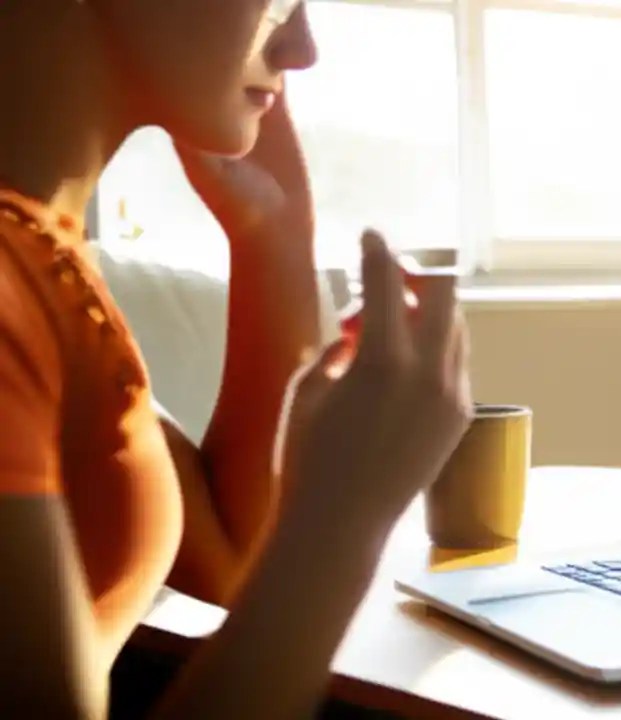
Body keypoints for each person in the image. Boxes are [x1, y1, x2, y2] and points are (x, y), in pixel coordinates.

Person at [0, 0, 473, 717]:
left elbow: (228, 571)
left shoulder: (43, 260)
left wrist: (274, 242)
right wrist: (341, 523)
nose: (302, 47)